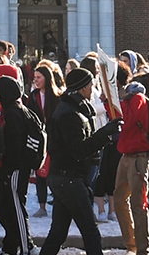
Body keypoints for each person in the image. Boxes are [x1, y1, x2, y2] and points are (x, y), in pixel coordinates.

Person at [38, 68, 123, 255]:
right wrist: (105, 133)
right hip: (68, 179)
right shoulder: (69, 114)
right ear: (83, 87)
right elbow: (78, 150)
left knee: (58, 233)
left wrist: (104, 133)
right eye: (91, 84)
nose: (93, 88)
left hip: (64, 177)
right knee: (90, 232)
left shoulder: (73, 108)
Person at [0, 75, 37, 255]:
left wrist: (10, 169)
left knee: (17, 207)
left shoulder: (12, 112)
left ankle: (28, 248)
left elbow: (15, 145)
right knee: (11, 207)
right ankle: (11, 247)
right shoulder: (18, 109)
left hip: (17, 168)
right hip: (18, 167)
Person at [113, 79, 149, 255]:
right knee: (119, 198)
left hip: (139, 157)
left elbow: (126, 122)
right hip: (127, 155)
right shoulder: (128, 101)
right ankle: (131, 244)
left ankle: (142, 249)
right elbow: (117, 119)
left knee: (138, 203)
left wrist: (117, 102)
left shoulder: (138, 99)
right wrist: (110, 102)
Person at [26, 62, 62, 218]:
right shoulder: (33, 97)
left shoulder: (57, 96)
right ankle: (42, 206)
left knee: (54, 171)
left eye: (39, 77)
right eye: (35, 77)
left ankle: (57, 201)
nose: (36, 80)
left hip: (54, 139)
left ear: (47, 78)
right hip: (40, 139)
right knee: (40, 172)